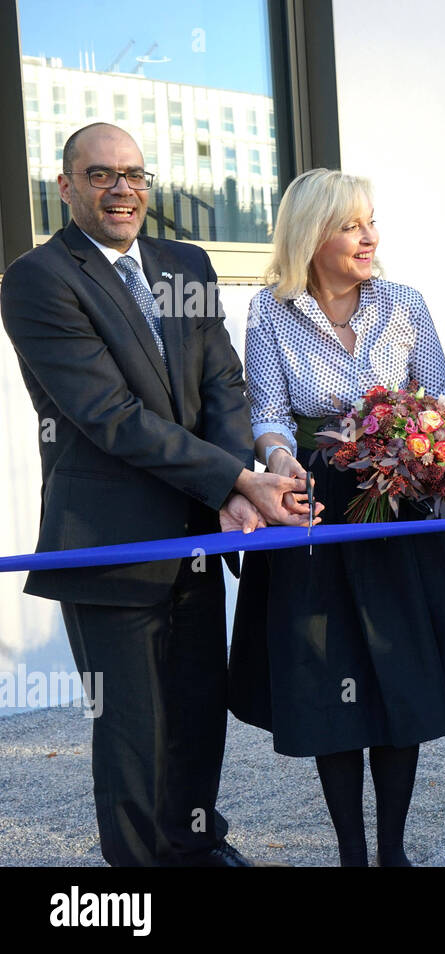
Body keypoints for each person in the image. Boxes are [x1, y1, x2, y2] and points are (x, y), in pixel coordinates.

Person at [0, 122, 312, 866]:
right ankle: (138, 872)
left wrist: (238, 480)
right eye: (102, 175)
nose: (122, 190)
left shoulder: (186, 264)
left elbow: (222, 384)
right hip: (110, 544)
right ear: (66, 185)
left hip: (198, 532)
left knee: (200, 710)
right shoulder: (39, 279)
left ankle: (194, 844)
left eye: (135, 175)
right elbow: (111, 417)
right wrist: (236, 480)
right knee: (133, 728)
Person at [227, 168, 445, 866]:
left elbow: (441, 400)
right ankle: (353, 852)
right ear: (311, 235)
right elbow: (267, 413)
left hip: (399, 502)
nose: (369, 237)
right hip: (315, 509)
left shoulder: (404, 302)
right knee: (331, 679)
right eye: (350, 225)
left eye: (371, 221)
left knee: (399, 674)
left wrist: (425, 447)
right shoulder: (270, 312)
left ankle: (393, 851)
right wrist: (279, 459)